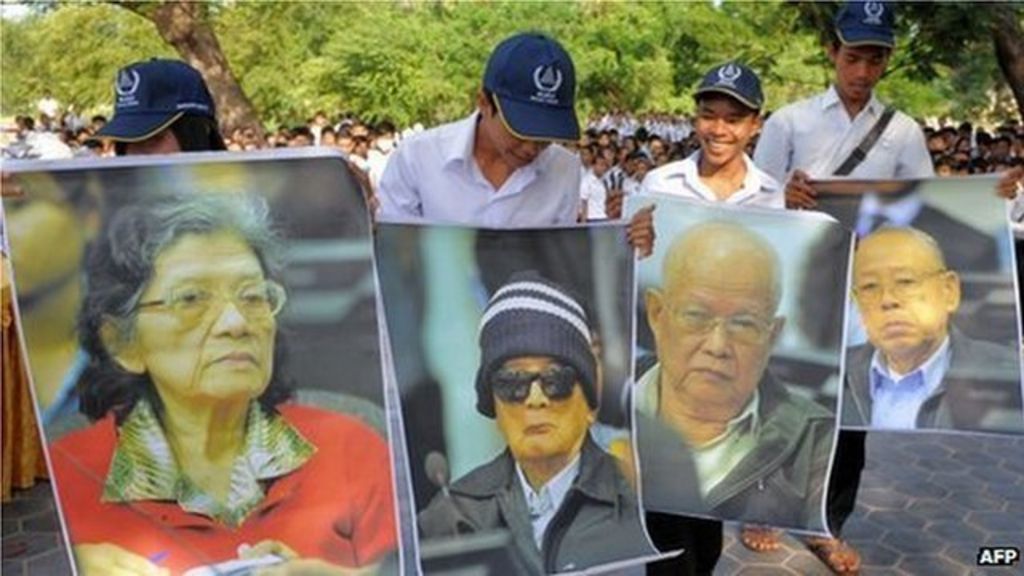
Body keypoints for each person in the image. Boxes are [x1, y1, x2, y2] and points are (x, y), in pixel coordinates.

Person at [49, 193, 397, 576]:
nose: (236, 323)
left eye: (253, 296)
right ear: (122, 341)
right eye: (192, 299)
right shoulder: (63, 476)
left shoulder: (351, 445)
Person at [751, 3, 929, 570]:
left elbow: (926, 205)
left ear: (886, 62)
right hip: (800, 281)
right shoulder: (790, 123)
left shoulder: (903, 132)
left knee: (853, 409)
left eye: (875, 59)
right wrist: (785, 195)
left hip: (865, 291)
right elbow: (755, 198)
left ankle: (828, 522)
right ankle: (766, 506)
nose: (862, 71)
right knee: (784, 396)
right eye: (853, 56)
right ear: (832, 51)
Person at [418, 272, 655, 574]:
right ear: (493, 408)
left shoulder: (643, 498)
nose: (535, 398)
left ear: (589, 402)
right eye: (511, 383)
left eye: (556, 379)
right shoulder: (452, 516)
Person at [635, 222, 833, 529]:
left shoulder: (816, 438)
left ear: (772, 336)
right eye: (696, 316)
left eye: (743, 324)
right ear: (657, 315)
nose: (718, 346)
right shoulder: (588, 402)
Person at [377, 32, 582, 227]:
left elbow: (559, 257)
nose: (531, 148)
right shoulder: (416, 158)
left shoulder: (565, 170)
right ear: (484, 103)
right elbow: (395, 253)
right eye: (519, 131)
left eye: (545, 137)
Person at [844, 227, 1022, 431]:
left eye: (905, 282)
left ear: (949, 291)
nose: (887, 300)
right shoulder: (838, 375)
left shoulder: (1009, 374)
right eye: (870, 287)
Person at [641, 62, 782, 209]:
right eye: (708, 117)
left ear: (755, 125)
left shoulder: (772, 197)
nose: (718, 130)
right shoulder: (660, 185)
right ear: (696, 118)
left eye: (732, 120)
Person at [92, 58, 226, 156]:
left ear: (198, 136)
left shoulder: (240, 192)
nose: (136, 155)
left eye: (153, 139)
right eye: (125, 141)